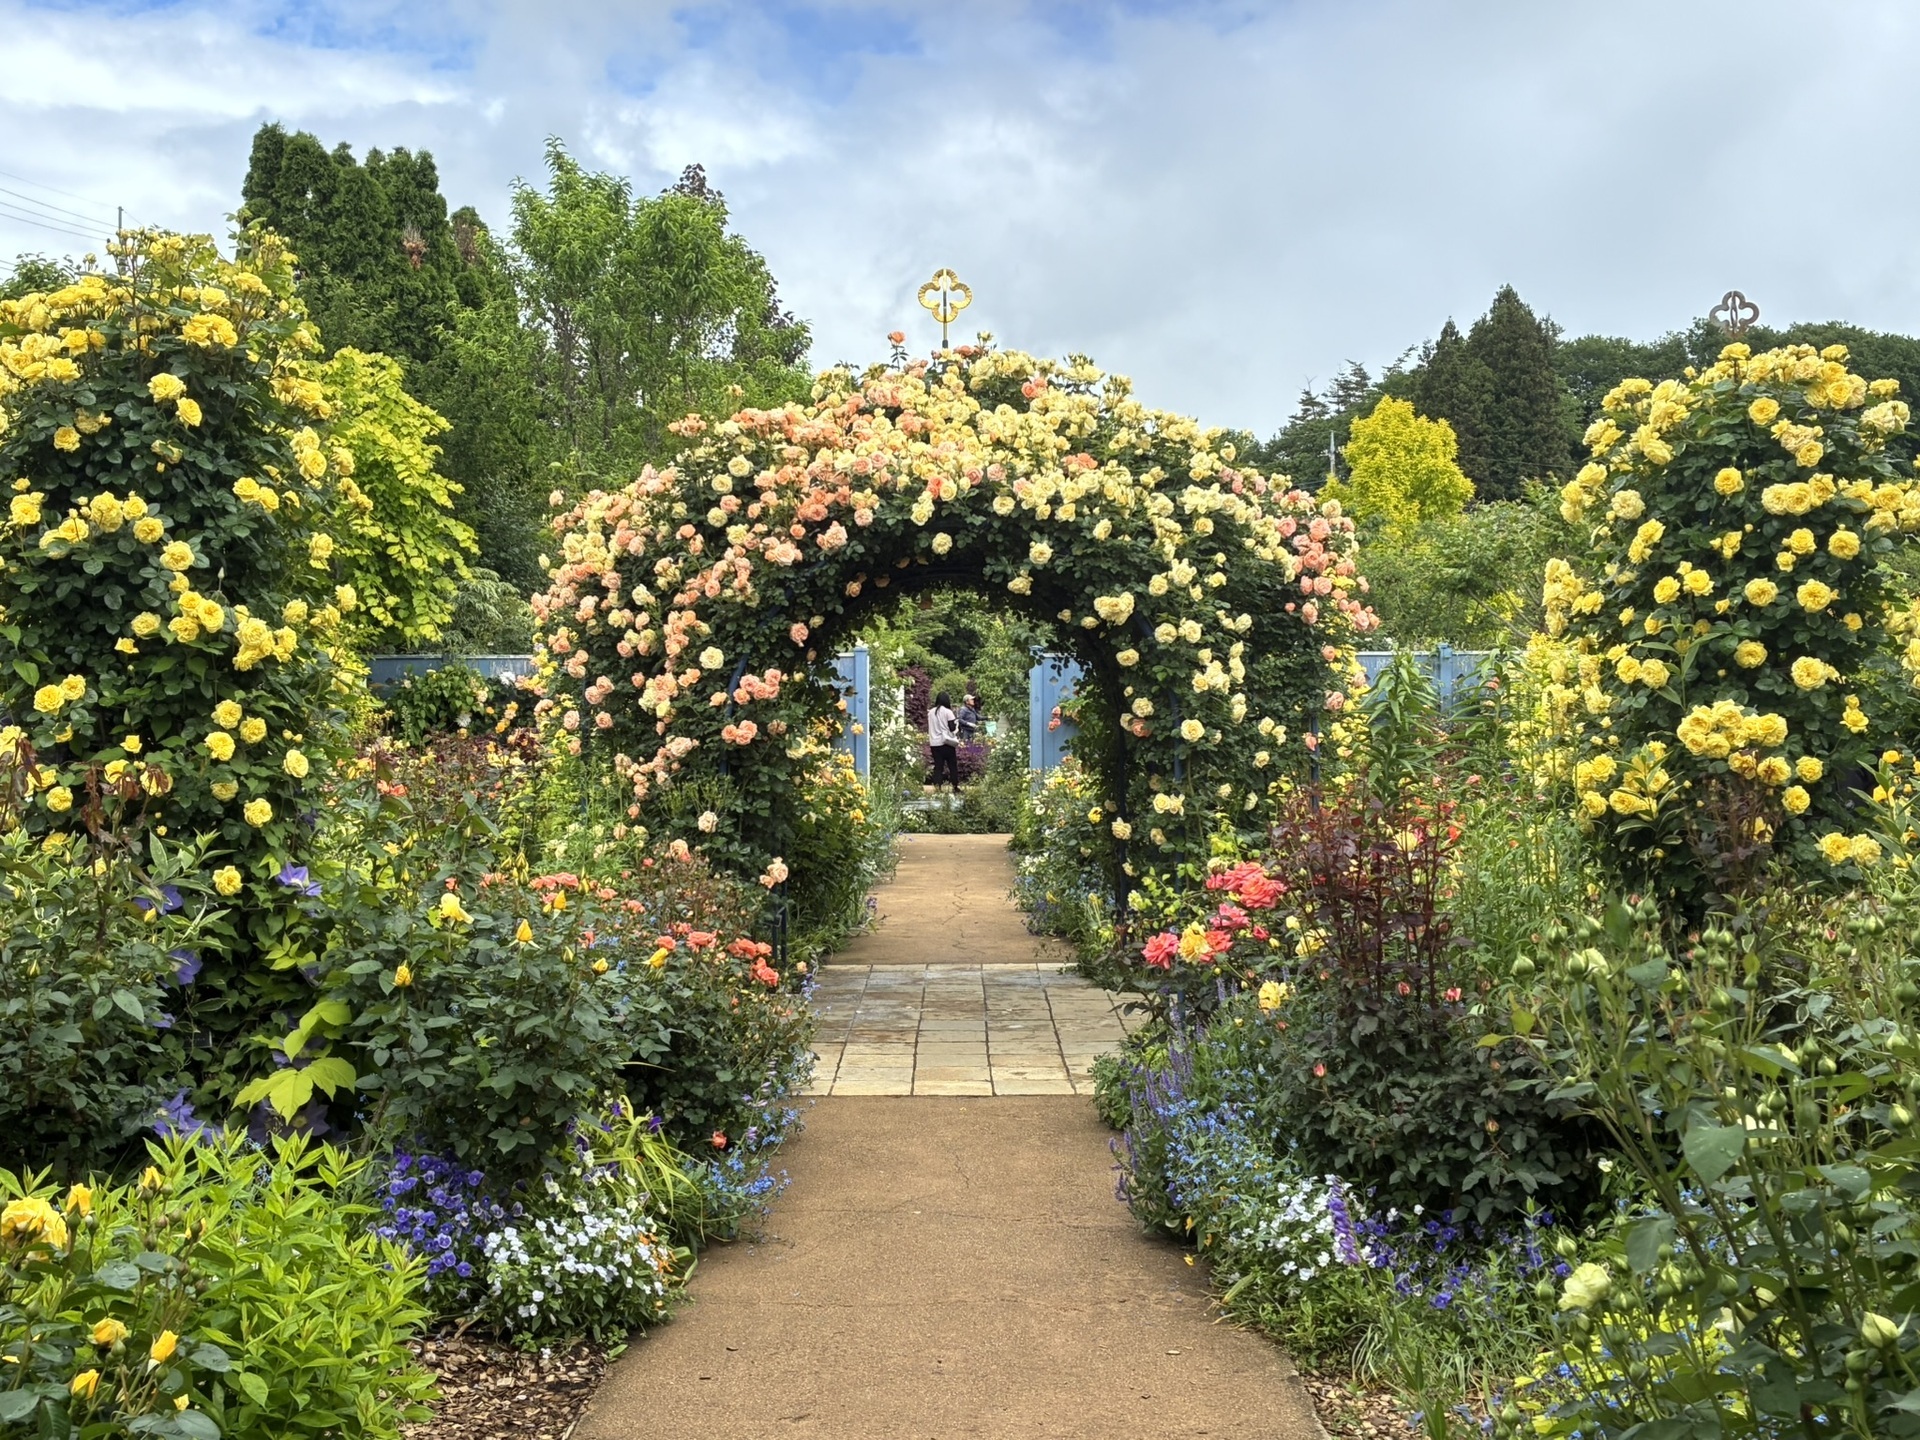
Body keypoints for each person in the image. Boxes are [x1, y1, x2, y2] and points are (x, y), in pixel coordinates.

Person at [927, 690, 961, 792]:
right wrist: (956, 726)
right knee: (952, 765)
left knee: (938, 766)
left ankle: (938, 787)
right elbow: (951, 727)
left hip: (934, 743)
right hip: (946, 743)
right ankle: (954, 786)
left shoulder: (931, 712)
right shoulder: (948, 712)